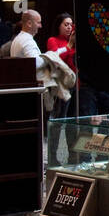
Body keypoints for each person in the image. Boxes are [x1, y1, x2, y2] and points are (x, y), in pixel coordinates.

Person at [45, 13, 77, 162]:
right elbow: (55, 60)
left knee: (73, 121)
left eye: (71, 24)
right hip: (61, 87)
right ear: (58, 26)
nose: (69, 27)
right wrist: (69, 45)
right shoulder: (53, 41)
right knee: (59, 121)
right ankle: (53, 156)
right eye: (66, 24)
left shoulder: (74, 41)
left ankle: (73, 154)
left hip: (76, 85)